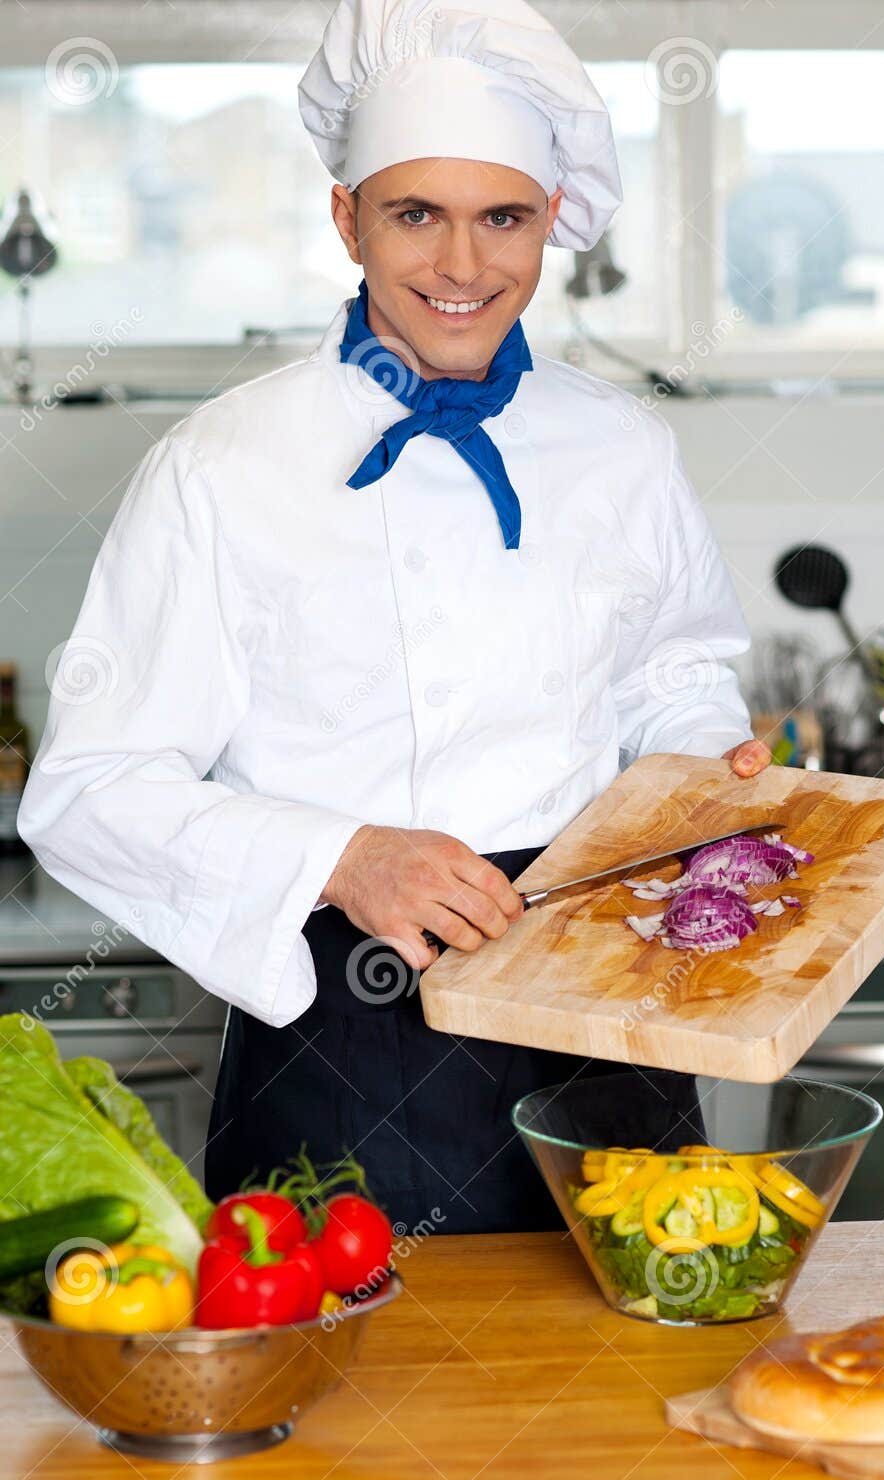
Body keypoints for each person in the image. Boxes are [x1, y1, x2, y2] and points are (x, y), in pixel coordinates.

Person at [18, 0, 770, 1232]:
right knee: (344, 1412)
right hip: (345, 1038)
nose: (463, 268)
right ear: (346, 217)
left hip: (604, 1009)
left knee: (619, 1402)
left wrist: (705, 777)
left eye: (504, 218)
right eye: (417, 214)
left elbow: (674, 676)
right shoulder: (222, 465)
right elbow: (90, 789)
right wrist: (344, 855)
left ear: (551, 223)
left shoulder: (622, 448)